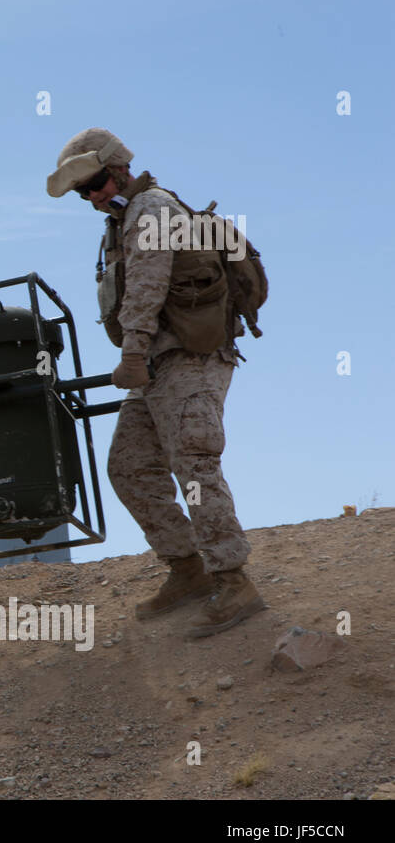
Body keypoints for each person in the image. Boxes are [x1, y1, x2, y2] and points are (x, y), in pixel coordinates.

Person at [46, 129, 265, 638]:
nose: (94, 195)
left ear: (119, 168)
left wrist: (132, 353)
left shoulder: (150, 207)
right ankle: (187, 569)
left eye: (96, 182)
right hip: (157, 365)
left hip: (188, 359)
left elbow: (147, 285)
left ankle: (233, 581)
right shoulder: (121, 219)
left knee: (193, 463)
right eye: (84, 192)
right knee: (130, 467)